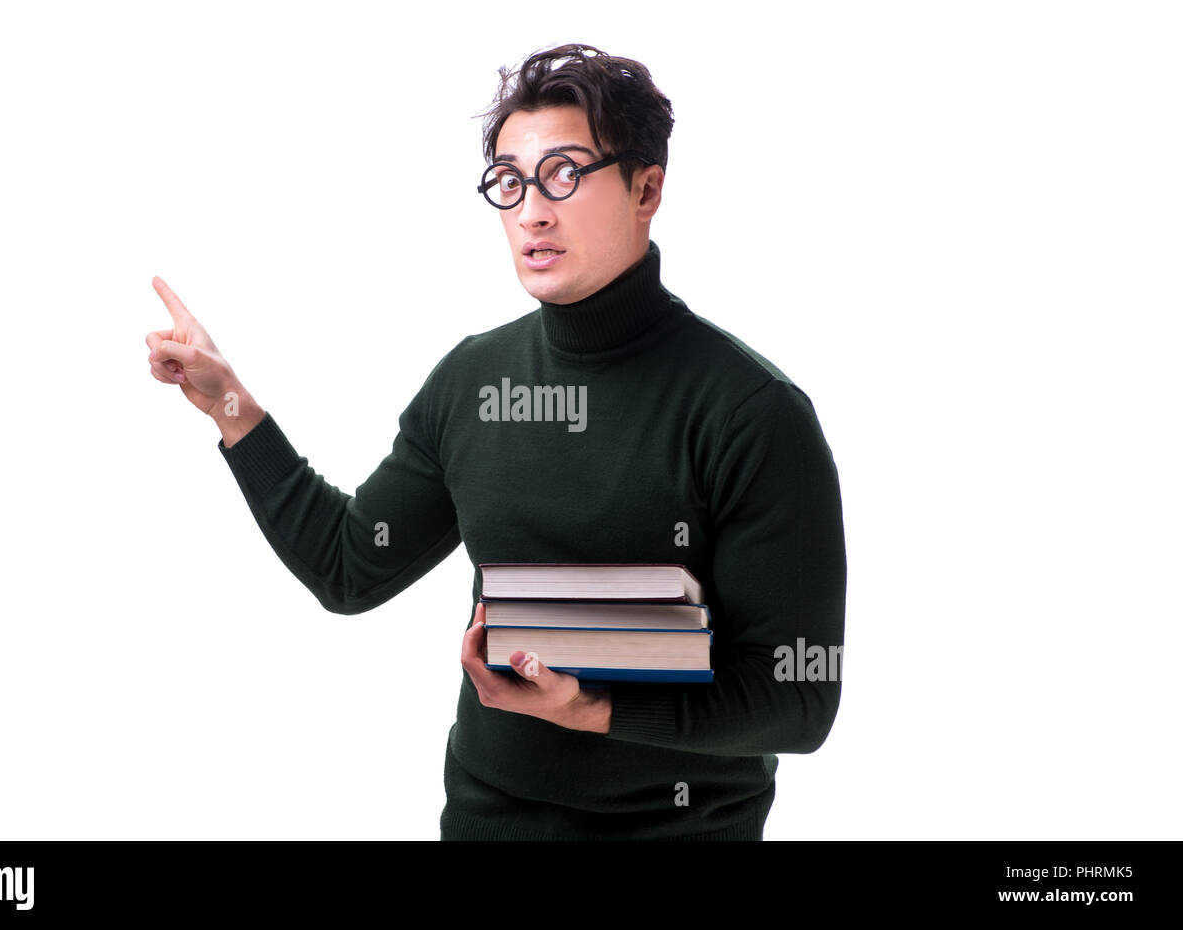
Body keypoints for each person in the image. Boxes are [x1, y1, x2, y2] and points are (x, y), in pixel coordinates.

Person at [144, 43, 847, 840]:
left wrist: (596, 707)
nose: (532, 211)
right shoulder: (476, 381)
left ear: (646, 189)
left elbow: (799, 699)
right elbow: (348, 565)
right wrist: (230, 404)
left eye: (565, 174)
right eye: (511, 181)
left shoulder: (754, 412)